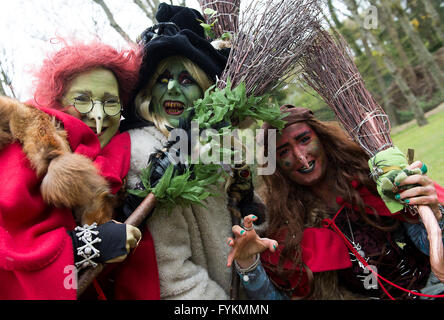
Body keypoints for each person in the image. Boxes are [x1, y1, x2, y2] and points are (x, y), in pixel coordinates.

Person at [119, 3, 264, 300]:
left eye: (187, 80)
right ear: (149, 92)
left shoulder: (216, 145)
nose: (172, 87)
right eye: (163, 79)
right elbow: (174, 279)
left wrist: (247, 204)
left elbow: (255, 229)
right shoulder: (143, 150)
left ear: (206, 92)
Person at [226, 104, 444, 300]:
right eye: (284, 151)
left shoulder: (373, 182)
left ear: (322, 138)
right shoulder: (288, 228)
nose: (301, 157)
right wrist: (248, 265)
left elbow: (431, 247)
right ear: (277, 164)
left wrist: (433, 213)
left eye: (304, 140)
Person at [0, 40, 159, 299]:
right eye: (82, 100)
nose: (98, 115)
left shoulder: (122, 164)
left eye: (110, 102)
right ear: (58, 102)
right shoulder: (19, 152)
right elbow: (8, 249)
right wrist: (86, 243)